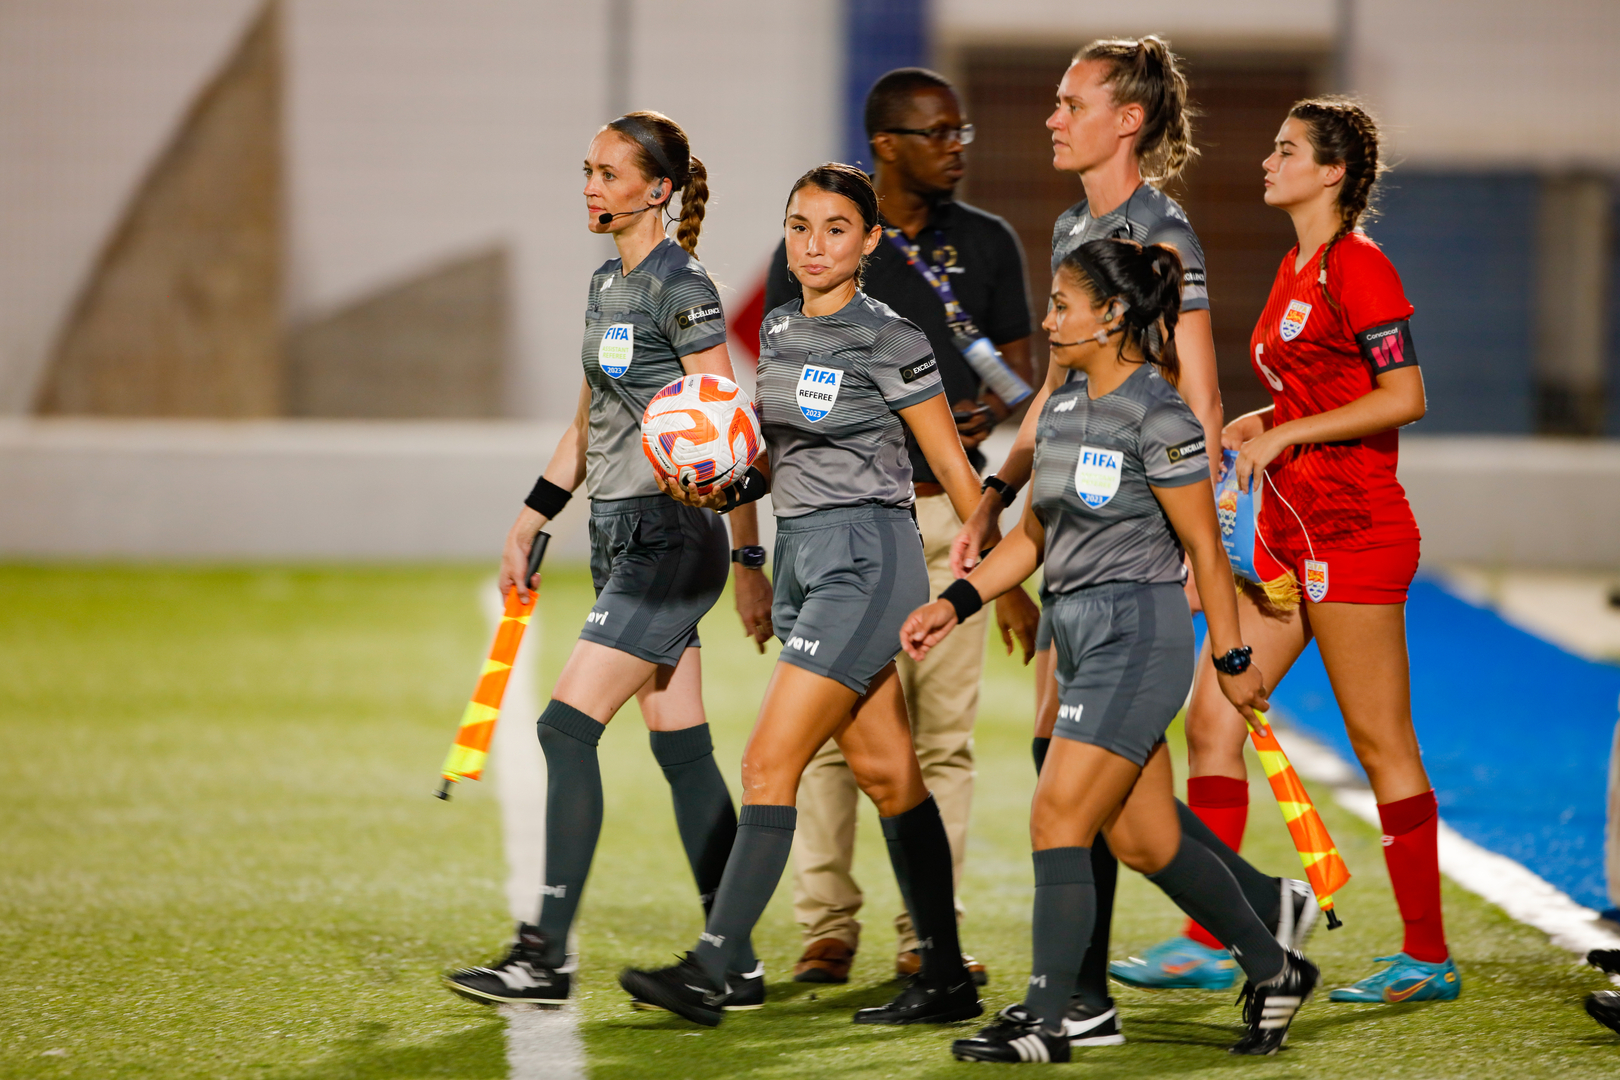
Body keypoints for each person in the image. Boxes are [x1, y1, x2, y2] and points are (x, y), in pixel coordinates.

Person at [904, 238, 1318, 1063]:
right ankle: (1275, 966)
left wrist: (1234, 664)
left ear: (1115, 314)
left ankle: (1048, 1019)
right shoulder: (1060, 410)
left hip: (1138, 636)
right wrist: (954, 601)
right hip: (1075, 630)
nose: (1051, 319)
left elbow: (1203, 548)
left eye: (1063, 304)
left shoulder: (1161, 419)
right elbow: (1033, 538)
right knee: (1146, 840)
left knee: (1057, 815)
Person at [618, 163, 986, 1028]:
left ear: (867, 242)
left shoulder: (889, 337)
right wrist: (722, 495)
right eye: (798, 226)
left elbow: (950, 466)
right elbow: (778, 460)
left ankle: (716, 965)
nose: (811, 245)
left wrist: (992, 580)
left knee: (767, 763)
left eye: (832, 228)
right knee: (888, 772)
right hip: (804, 558)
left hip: (868, 559)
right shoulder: (780, 328)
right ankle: (946, 976)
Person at [1116, 97, 1459, 1004]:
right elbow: (1322, 389)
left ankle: (1428, 957)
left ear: (1333, 173)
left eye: (1286, 150)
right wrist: (1266, 421)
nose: (1268, 161)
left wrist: (1283, 438)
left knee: (1382, 745)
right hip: (1287, 534)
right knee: (1213, 720)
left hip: (1354, 535)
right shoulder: (1294, 266)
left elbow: (1405, 395)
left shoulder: (1362, 268)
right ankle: (1208, 935)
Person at [443, 111, 773, 1009]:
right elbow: (592, 419)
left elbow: (723, 428)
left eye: (609, 173)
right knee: (683, 748)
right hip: (618, 534)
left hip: (670, 537)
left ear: (657, 190)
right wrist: (532, 515)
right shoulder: (604, 283)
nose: (590, 185)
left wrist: (748, 556)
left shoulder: (682, 286)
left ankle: (542, 953)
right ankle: (733, 956)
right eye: (586, 169)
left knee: (563, 726)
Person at [949, 36, 1238, 1038]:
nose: (1052, 117)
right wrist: (995, 493)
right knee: (1119, 797)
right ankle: (1249, 924)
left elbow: (1197, 384)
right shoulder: (1080, 221)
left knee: (1073, 768)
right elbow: (1064, 388)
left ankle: (1079, 997)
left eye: (1072, 103)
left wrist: (1216, 533)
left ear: (1130, 120)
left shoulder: (1162, 229)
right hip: (1076, 525)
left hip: (1135, 545)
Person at [759, 67, 1037, 987]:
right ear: (886, 145)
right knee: (835, 736)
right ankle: (826, 927)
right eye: (936, 132)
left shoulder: (989, 243)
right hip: (835, 526)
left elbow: (1021, 377)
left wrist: (994, 555)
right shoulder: (807, 252)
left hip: (945, 518)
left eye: (959, 129)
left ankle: (930, 935)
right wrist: (752, 556)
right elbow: (782, 403)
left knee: (942, 738)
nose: (956, 144)